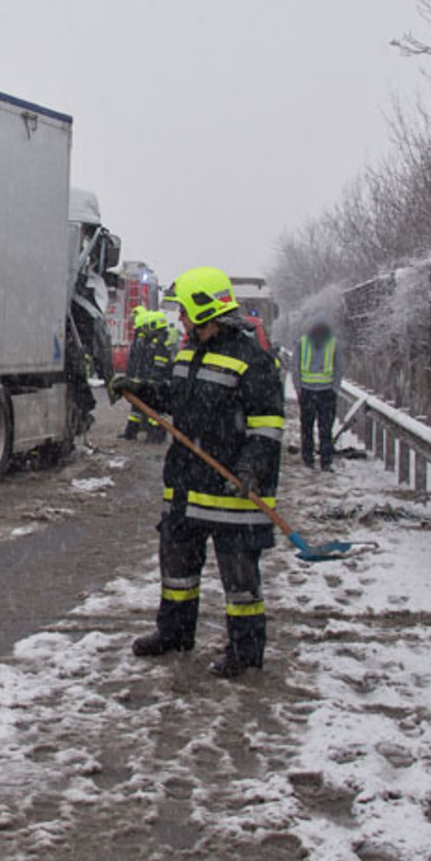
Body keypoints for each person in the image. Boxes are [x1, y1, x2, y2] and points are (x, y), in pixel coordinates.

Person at [110, 266, 284, 679]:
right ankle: (174, 634)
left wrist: (250, 469)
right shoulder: (189, 350)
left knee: (240, 584)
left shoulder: (251, 361)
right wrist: (137, 387)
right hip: (187, 487)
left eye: (185, 310)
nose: (182, 319)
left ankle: (246, 652)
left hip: (232, 492)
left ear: (205, 310)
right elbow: (176, 399)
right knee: (177, 572)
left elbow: (267, 426)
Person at [119, 307, 174, 440]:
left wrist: (151, 382)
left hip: (155, 383)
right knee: (137, 409)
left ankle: (156, 434)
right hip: (146, 380)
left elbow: (159, 367)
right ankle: (132, 432)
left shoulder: (161, 344)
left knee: (156, 412)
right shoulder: (150, 342)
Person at [296, 319, 340, 470]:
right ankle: (325, 461)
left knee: (308, 428)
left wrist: (299, 388)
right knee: (325, 429)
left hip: (310, 391)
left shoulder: (302, 342)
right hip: (325, 392)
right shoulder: (333, 343)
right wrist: (334, 388)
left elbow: (295, 367)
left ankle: (309, 459)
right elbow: (339, 367)